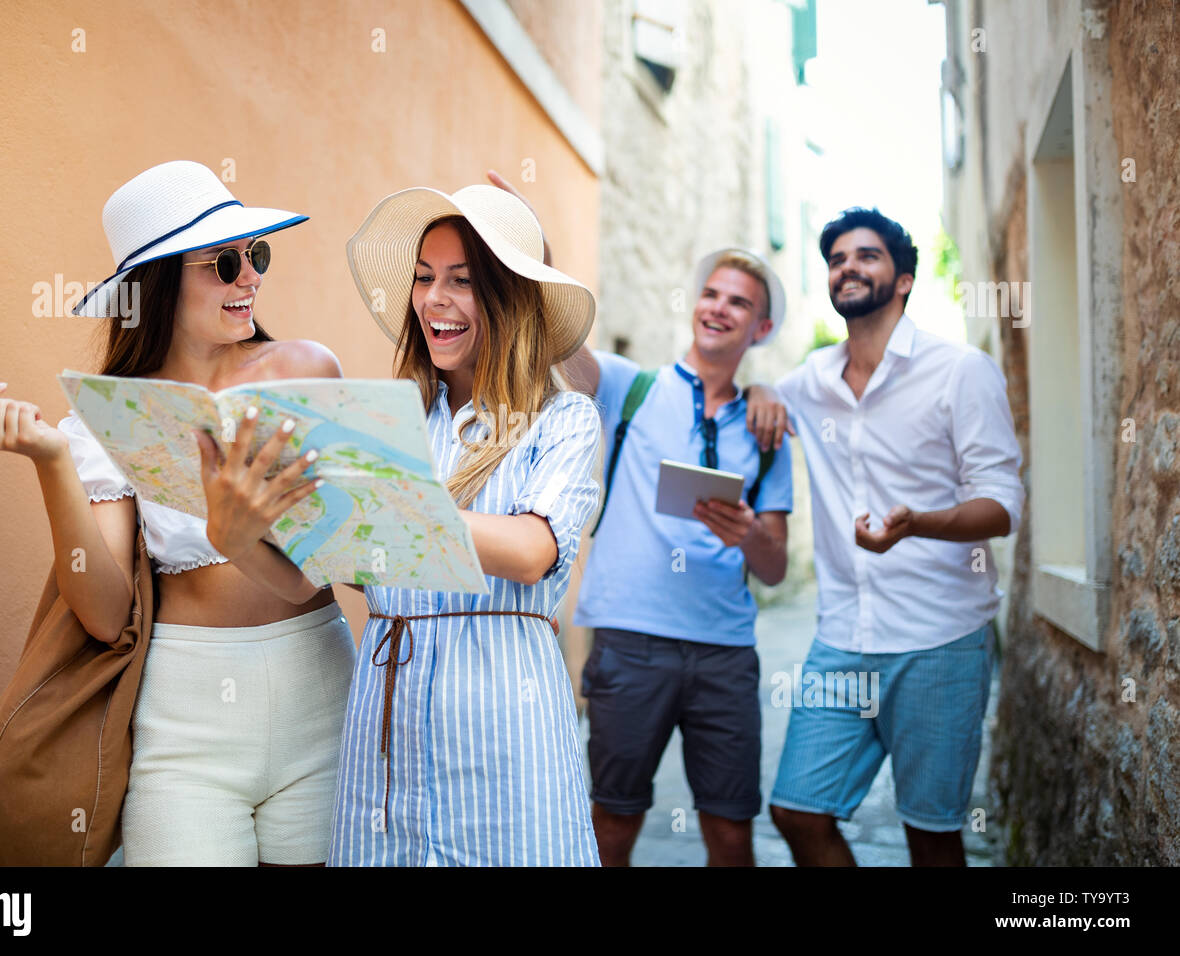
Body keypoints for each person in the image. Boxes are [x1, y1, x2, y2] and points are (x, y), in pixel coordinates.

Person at [0, 160, 355, 866]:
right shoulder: (107, 416)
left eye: (256, 256)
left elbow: (328, 558)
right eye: (225, 263)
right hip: (186, 717)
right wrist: (53, 461)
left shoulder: (304, 369)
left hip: (320, 694)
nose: (251, 278)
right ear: (160, 283)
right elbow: (107, 614)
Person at [326, 184, 603, 866]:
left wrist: (397, 499)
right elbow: (374, 579)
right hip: (386, 721)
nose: (432, 300)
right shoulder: (392, 424)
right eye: (422, 280)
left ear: (507, 299)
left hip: (505, 718)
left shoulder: (562, 419)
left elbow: (536, 550)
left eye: (461, 282)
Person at [755, 207, 1023, 866]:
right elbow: (756, 391)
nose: (847, 267)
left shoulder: (960, 371)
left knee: (930, 834)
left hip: (940, 638)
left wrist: (917, 526)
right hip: (842, 635)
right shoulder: (810, 380)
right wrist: (760, 383)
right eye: (837, 259)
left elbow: (1002, 506)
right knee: (796, 811)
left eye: (866, 256)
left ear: (903, 279)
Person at [564, 247, 793, 866]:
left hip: (725, 653)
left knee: (730, 833)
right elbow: (557, 340)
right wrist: (537, 257)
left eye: (739, 302)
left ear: (761, 329)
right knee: (612, 821)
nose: (719, 308)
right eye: (712, 294)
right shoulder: (625, 388)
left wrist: (747, 532)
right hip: (629, 642)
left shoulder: (768, 429)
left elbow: (775, 568)